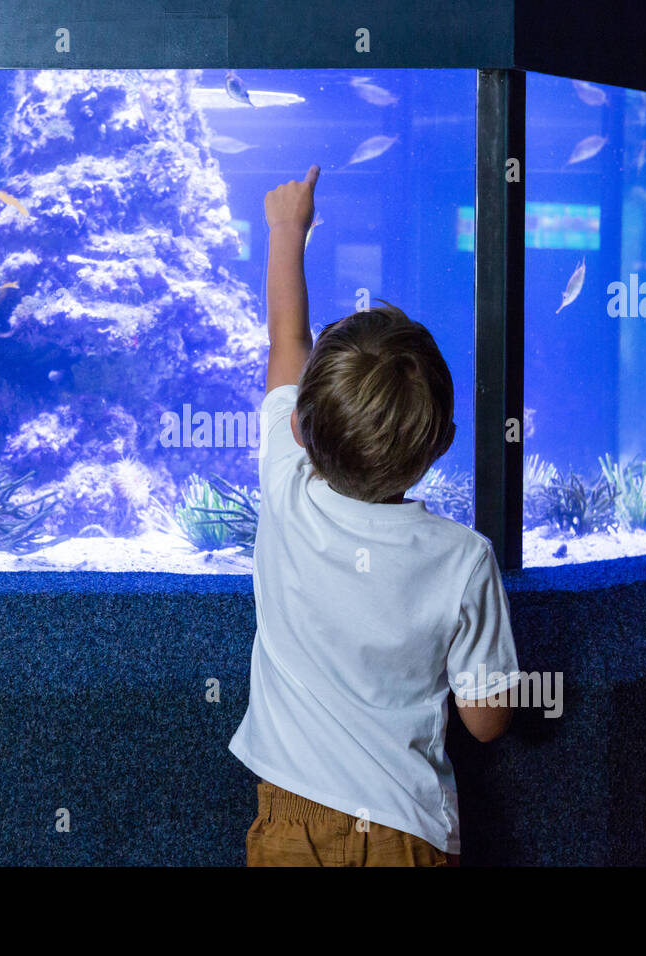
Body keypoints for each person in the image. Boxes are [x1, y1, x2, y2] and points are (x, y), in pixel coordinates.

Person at [228, 165, 520, 867]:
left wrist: (285, 231)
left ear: (297, 428)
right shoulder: (463, 559)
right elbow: (485, 721)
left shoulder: (285, 489)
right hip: (403, 830)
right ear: (443, 444)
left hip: (289, 820)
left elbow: (285, 347)